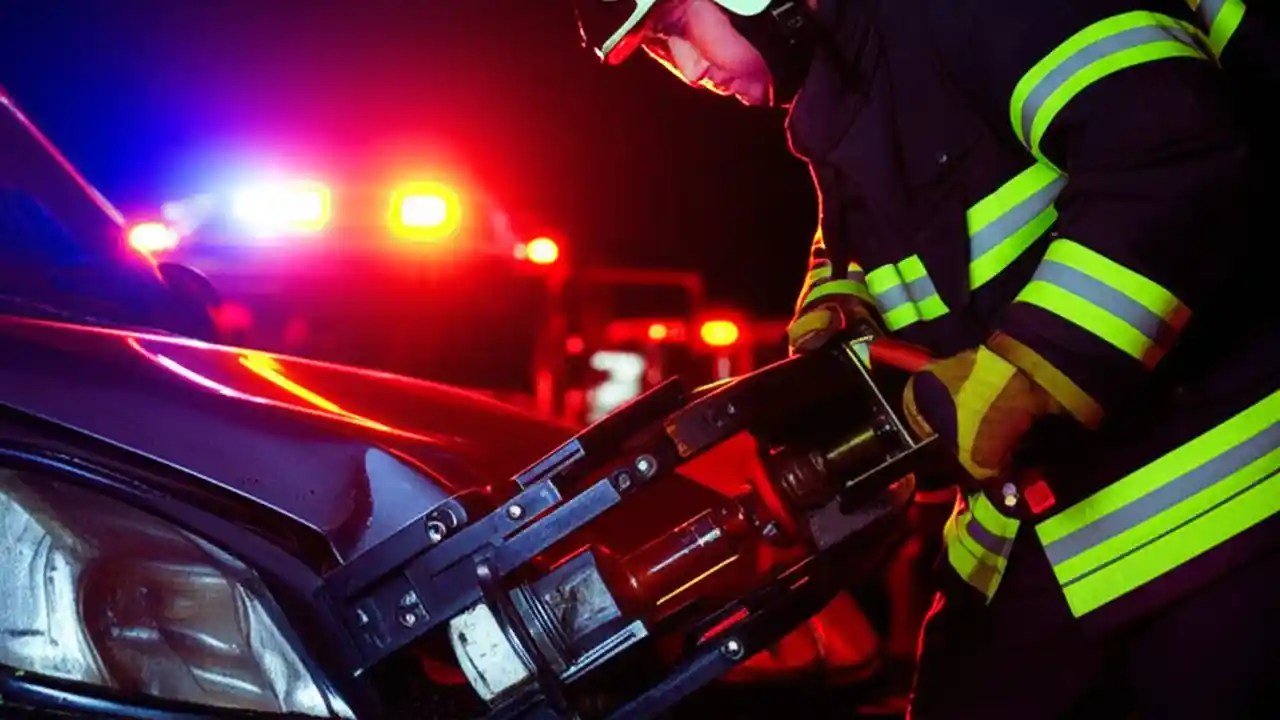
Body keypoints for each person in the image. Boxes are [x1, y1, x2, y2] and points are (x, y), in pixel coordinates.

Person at [569, 0, 1278, 717]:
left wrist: (1032, 366)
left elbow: (1167, 152)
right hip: (1037, 528)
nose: (689, 71)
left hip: (1216, 509)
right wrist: (840, 304)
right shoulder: (850, 84)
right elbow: (914, 227)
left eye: (678, 29)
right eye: (660, 52)